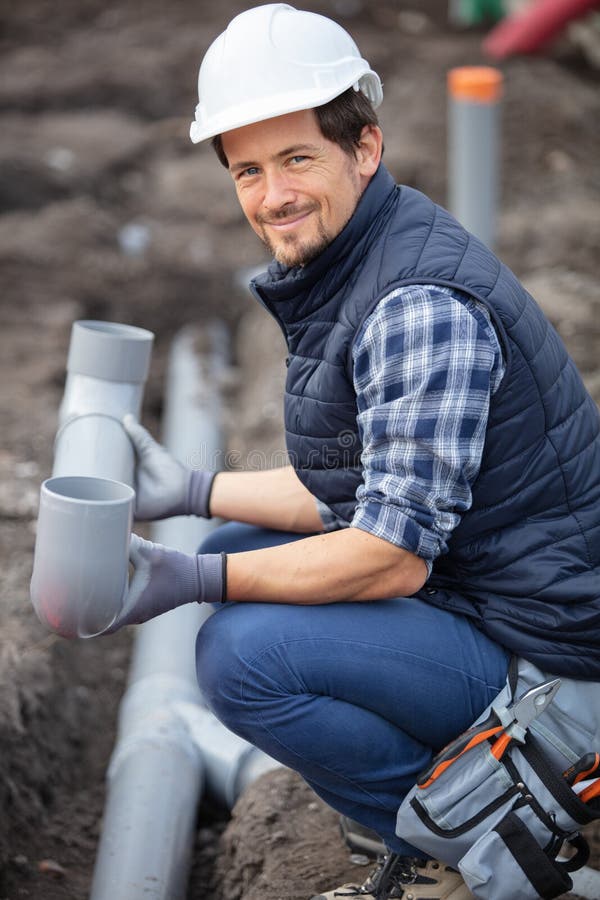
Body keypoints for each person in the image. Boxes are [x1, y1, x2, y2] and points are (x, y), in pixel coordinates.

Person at [112, 5, 600, 899]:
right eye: (249, 170)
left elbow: (391, 555)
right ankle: (438, 805)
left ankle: (485, 841)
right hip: (490, 596)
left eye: (297, 159)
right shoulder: (361, 255)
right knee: (237, 547)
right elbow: (363, 488)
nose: (273, 195)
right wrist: (189, 488)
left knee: (240, 655)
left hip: (554, 663)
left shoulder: (415, 306)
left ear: (363, 147)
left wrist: (193, 580)